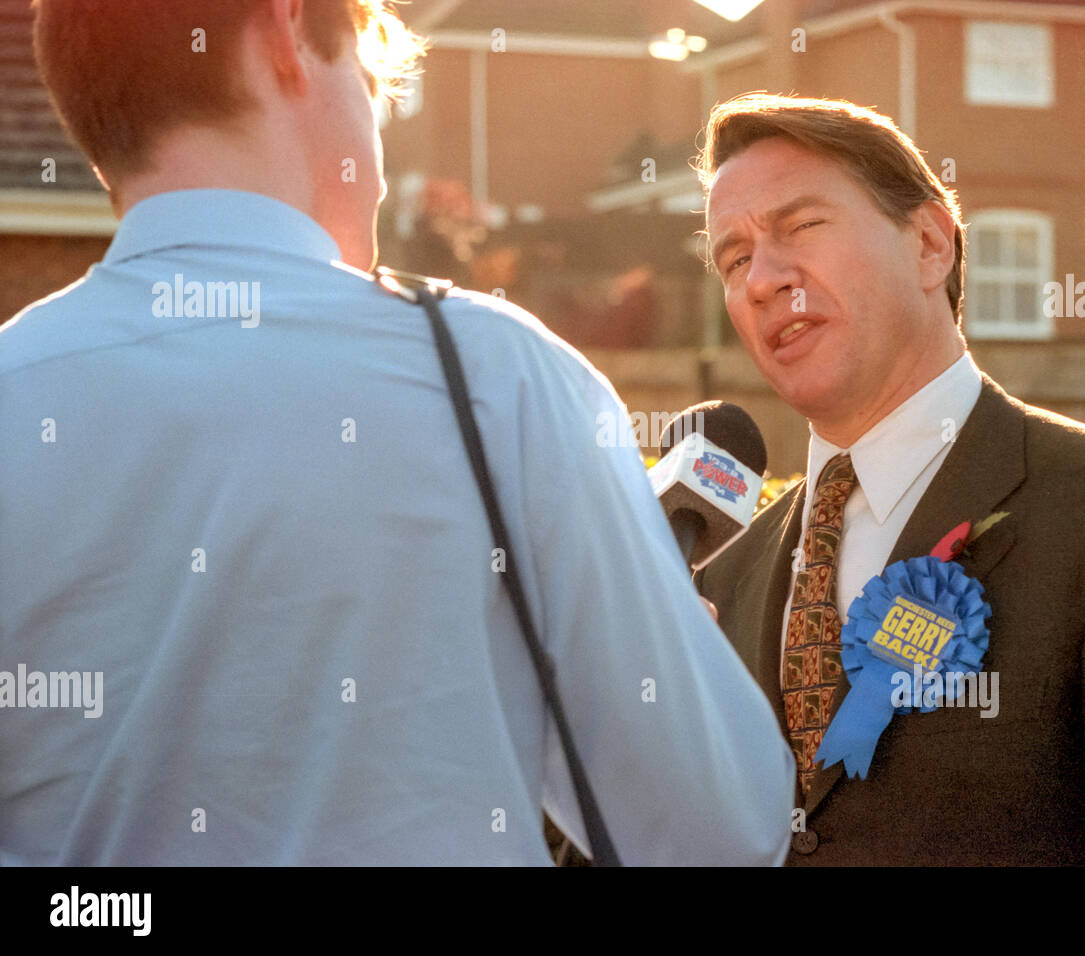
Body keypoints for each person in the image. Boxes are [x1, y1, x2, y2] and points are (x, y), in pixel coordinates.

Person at [0, 1, 795, 866]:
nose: (381, 160)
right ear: (285, 35)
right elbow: (718, 828)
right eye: (372, 83)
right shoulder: (497, 378)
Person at [692, 93, 1085, 865]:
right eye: (734, 259)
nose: (763, 279)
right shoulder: (717, 578)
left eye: (800, 226)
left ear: (931, 243)